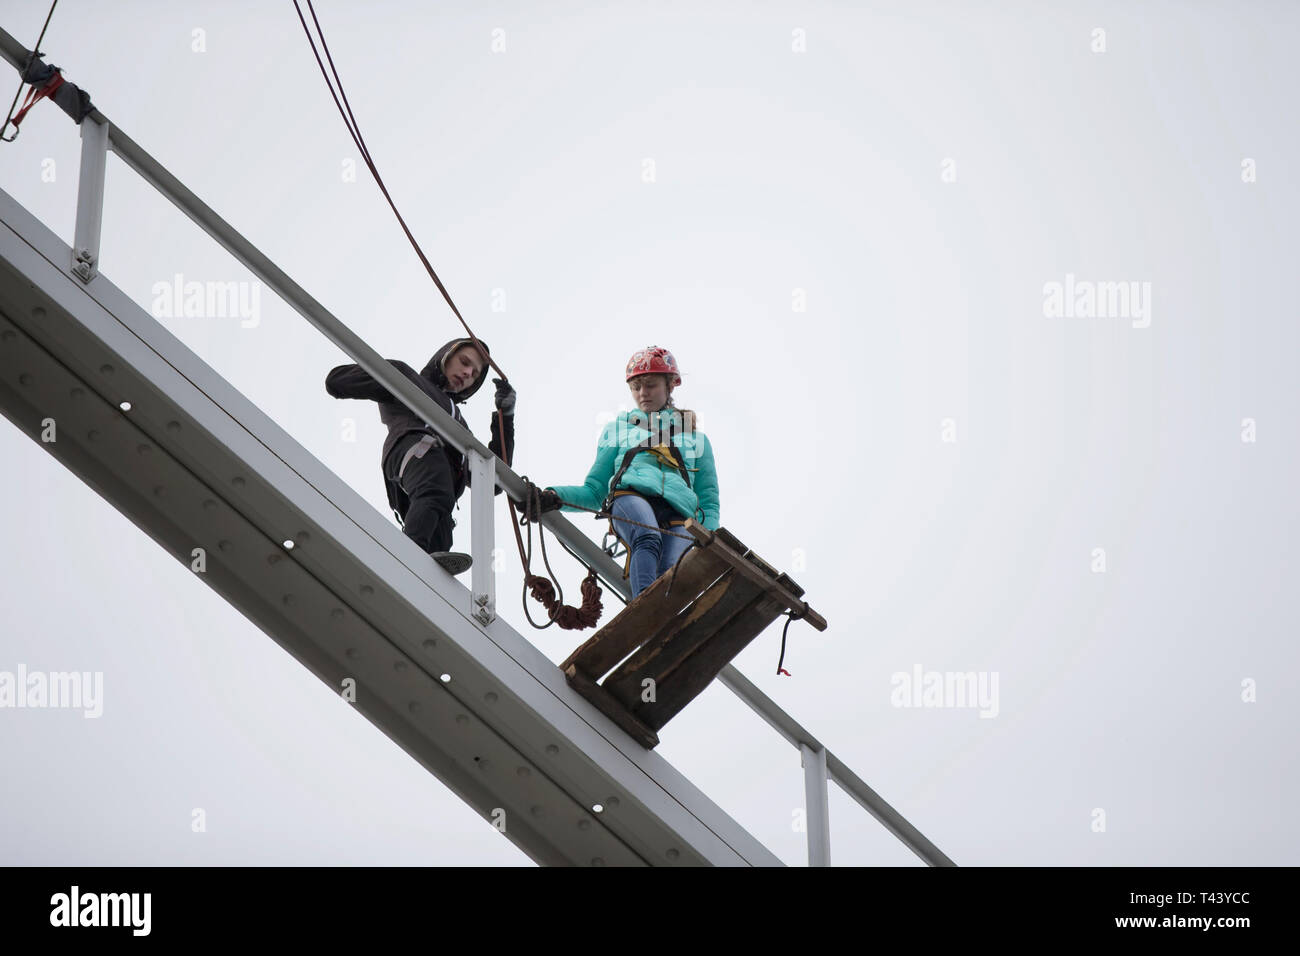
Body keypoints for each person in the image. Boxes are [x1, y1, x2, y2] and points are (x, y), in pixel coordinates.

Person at [533, 346, 720, 598]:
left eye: (650, 385)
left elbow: (707, 500)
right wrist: (556, 496)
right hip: (631, 497)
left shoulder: (696, 439)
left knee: (673, 571)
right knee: (647, 537)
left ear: (670, 386)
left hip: (681, 513)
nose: (642, 393)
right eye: (636, 387)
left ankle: (666, 625)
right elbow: (595, 490)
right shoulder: (618, 429)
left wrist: (708, 540)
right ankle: (647, 613)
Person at [324, 337, 515, 575]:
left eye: (475, 374)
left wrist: (504, 417)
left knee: (441, 533)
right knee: (436, 488)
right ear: (446, 356)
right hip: (414, 453)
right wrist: (384, 376)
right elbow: (336, 381)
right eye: (464, 362)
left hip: (431, 492)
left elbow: (491, 483)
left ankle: (426, 574)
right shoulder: (409, 380)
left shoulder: (461, 429)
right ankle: (405, 561)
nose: (467, 373)